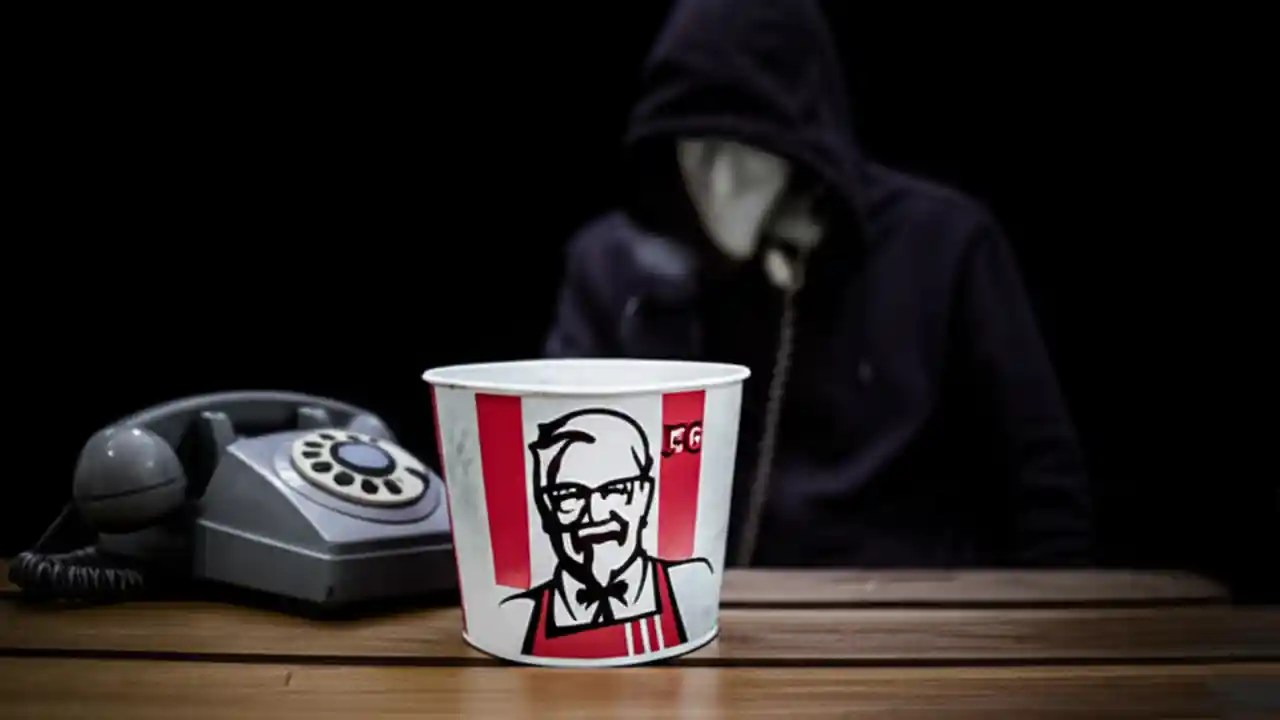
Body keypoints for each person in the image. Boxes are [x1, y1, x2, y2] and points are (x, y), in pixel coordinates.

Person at [542, 0, 1094, 568]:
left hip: (912, 625)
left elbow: (1044, 491)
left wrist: (1042, 643)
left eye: (744, 147)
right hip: (688, 620)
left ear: (800, 141)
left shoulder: (944, 247)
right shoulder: (614, 266)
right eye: (698, 148)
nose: (720, 181)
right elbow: (552, 452)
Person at [501, 407, 713, 660]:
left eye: (616, 490)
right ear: (546, 511)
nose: (596, 514)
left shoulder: (688, 586)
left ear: (644, 497)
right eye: (570, 495)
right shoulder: (519, 614)